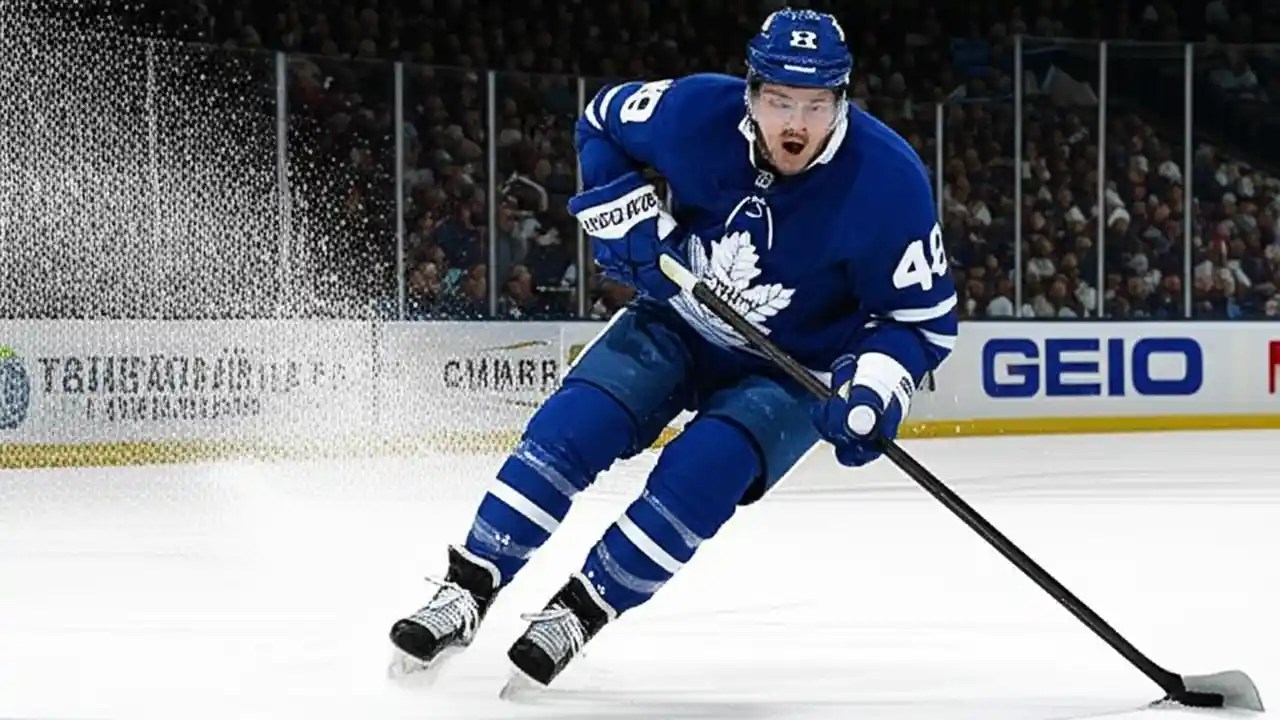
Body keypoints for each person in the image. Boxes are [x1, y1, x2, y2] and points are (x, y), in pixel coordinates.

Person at [387, 8, 958, 689]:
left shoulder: (890, 181)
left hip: (792, 370)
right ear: (750, 92)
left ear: (843, 100)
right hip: (679, 316)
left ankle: (581, 609)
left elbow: (917, 322)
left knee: (702, 474)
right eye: (778, 101)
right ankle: (469, 586)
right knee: (574, 428)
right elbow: (600, 122)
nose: (795, 125)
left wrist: (872, 389)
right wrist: (618, 208)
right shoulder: (695, 110)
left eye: (814, 104)